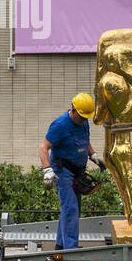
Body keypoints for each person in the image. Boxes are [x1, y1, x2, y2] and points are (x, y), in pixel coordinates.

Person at [40, 92, 100, 252]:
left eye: (86, 117)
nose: (84, 119)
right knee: (70, 208)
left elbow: (85, 141)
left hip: (78, 172)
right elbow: (43, 148)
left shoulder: (84, 122)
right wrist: (47, 170)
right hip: (63, 171)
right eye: (81, 116)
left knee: (71, 209)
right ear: (73, 109)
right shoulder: (60, 125)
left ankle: (60, 244)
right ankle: (71, 249)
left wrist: (93, 155)